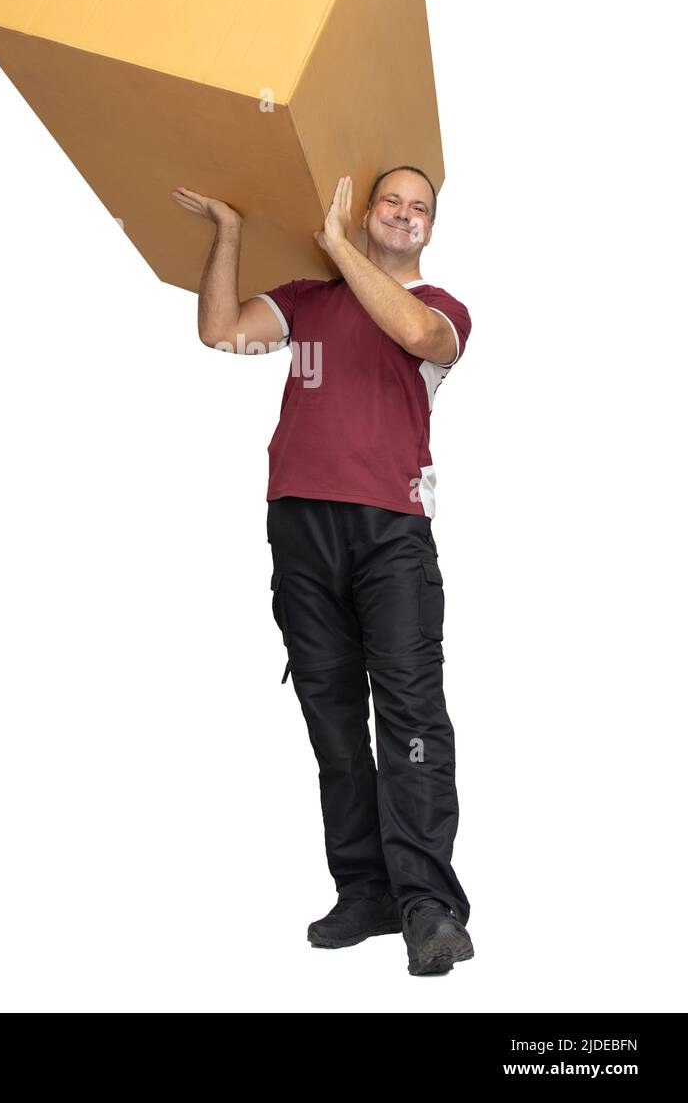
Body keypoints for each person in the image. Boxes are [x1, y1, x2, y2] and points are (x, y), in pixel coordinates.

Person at [170, 165, 474, 976]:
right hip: (300, 526)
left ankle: (429, 906)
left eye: (419, 207)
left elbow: (414, 336)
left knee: (409, 718)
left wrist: (340, 247)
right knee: (333, 721)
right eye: (391, 201)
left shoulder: (442, 310)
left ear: (430, 227)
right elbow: (220, 332)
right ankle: (364, 890)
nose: (404, 214)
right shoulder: (305, 301)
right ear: (367, 212)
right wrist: (231, 234)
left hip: (390, 532)